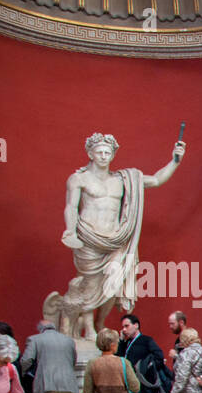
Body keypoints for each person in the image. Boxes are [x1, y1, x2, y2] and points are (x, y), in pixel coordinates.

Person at [43, 131, 185, 341]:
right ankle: (89, 327)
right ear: (90, 154)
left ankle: (99, 323)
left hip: (116, 239)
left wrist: (174, 161)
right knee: (90, 283)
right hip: (89, 238)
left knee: (113, 283)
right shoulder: (79, 179)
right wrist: (70, 230)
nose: (103, 156)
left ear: (112, 155)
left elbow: (155, 180)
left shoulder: (124, 180)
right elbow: (71, 207)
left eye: (107, 152)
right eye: (99, 152)